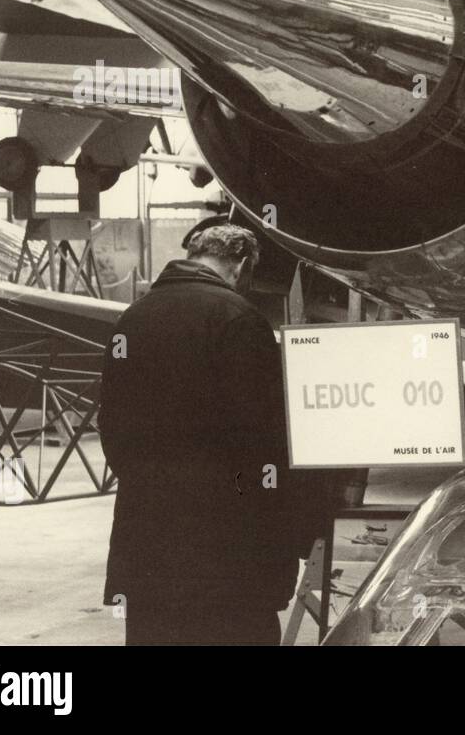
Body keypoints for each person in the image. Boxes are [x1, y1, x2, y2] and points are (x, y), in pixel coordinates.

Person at [99, 224, 320, 645]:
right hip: (225, 541)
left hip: (147, 532)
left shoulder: (133, 318)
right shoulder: (239, 319)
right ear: (239, 265)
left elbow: (112, 426)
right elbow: (262, 435)